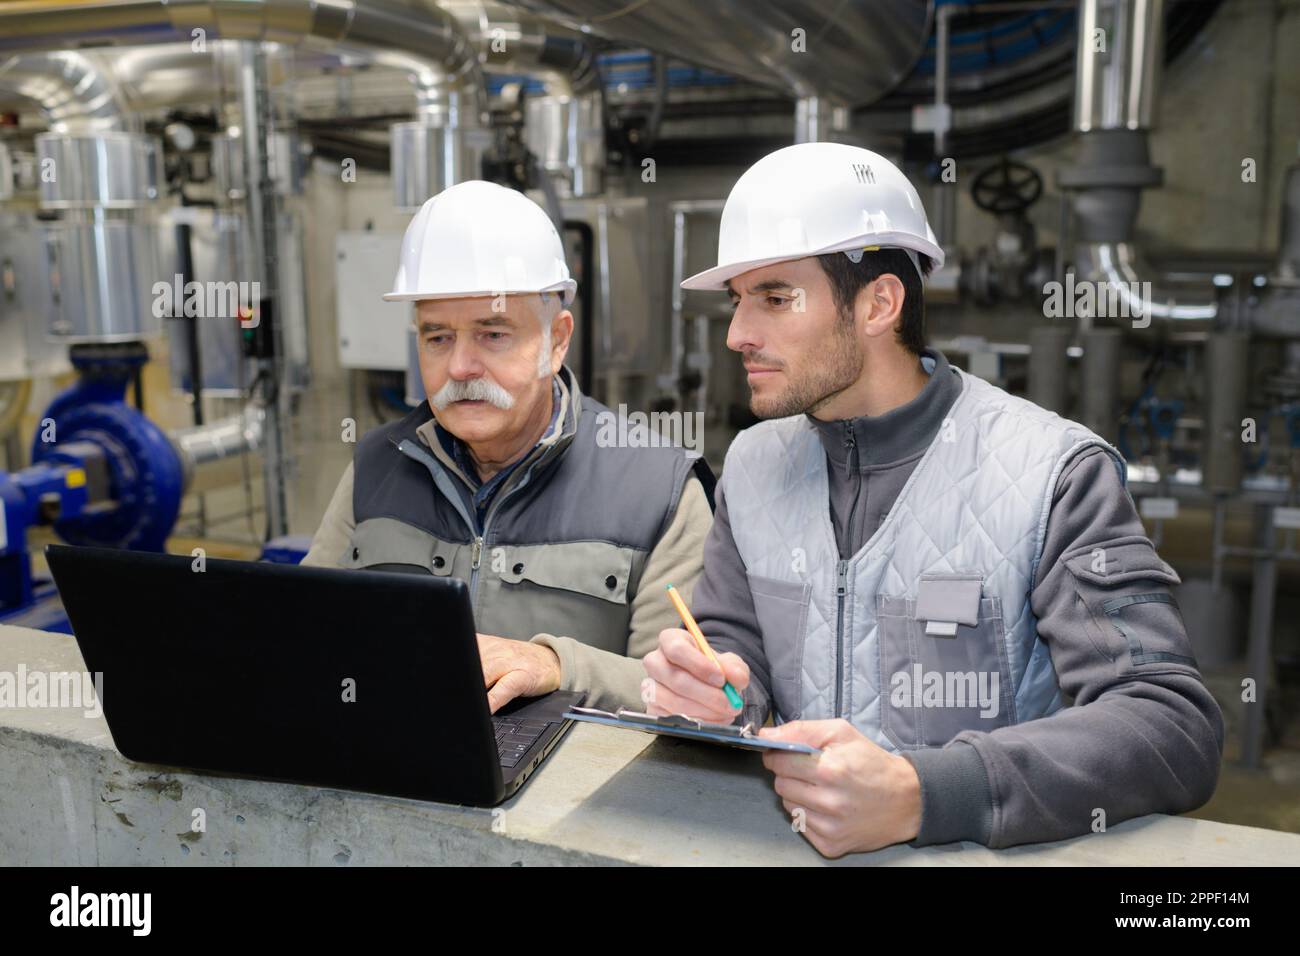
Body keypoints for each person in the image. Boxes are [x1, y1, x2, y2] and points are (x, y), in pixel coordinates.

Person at [641, 142, 1223, 855]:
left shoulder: (1052, 473)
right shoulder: (756, 465)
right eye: (738, 301)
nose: (737, 335)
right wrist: (717, 689)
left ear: (879, 303)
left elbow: (1169, 725)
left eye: (775, 297)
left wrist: (928, 794)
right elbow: (737, 650)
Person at [304, 180, 713, 713]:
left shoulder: (659, 490)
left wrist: (560, 668)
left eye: (493, 334)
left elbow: (692, 701)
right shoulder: (375, 466)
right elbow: (301, 634)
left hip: (573, 792)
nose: (460, 367)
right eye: (437, 337)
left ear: (557, 339)